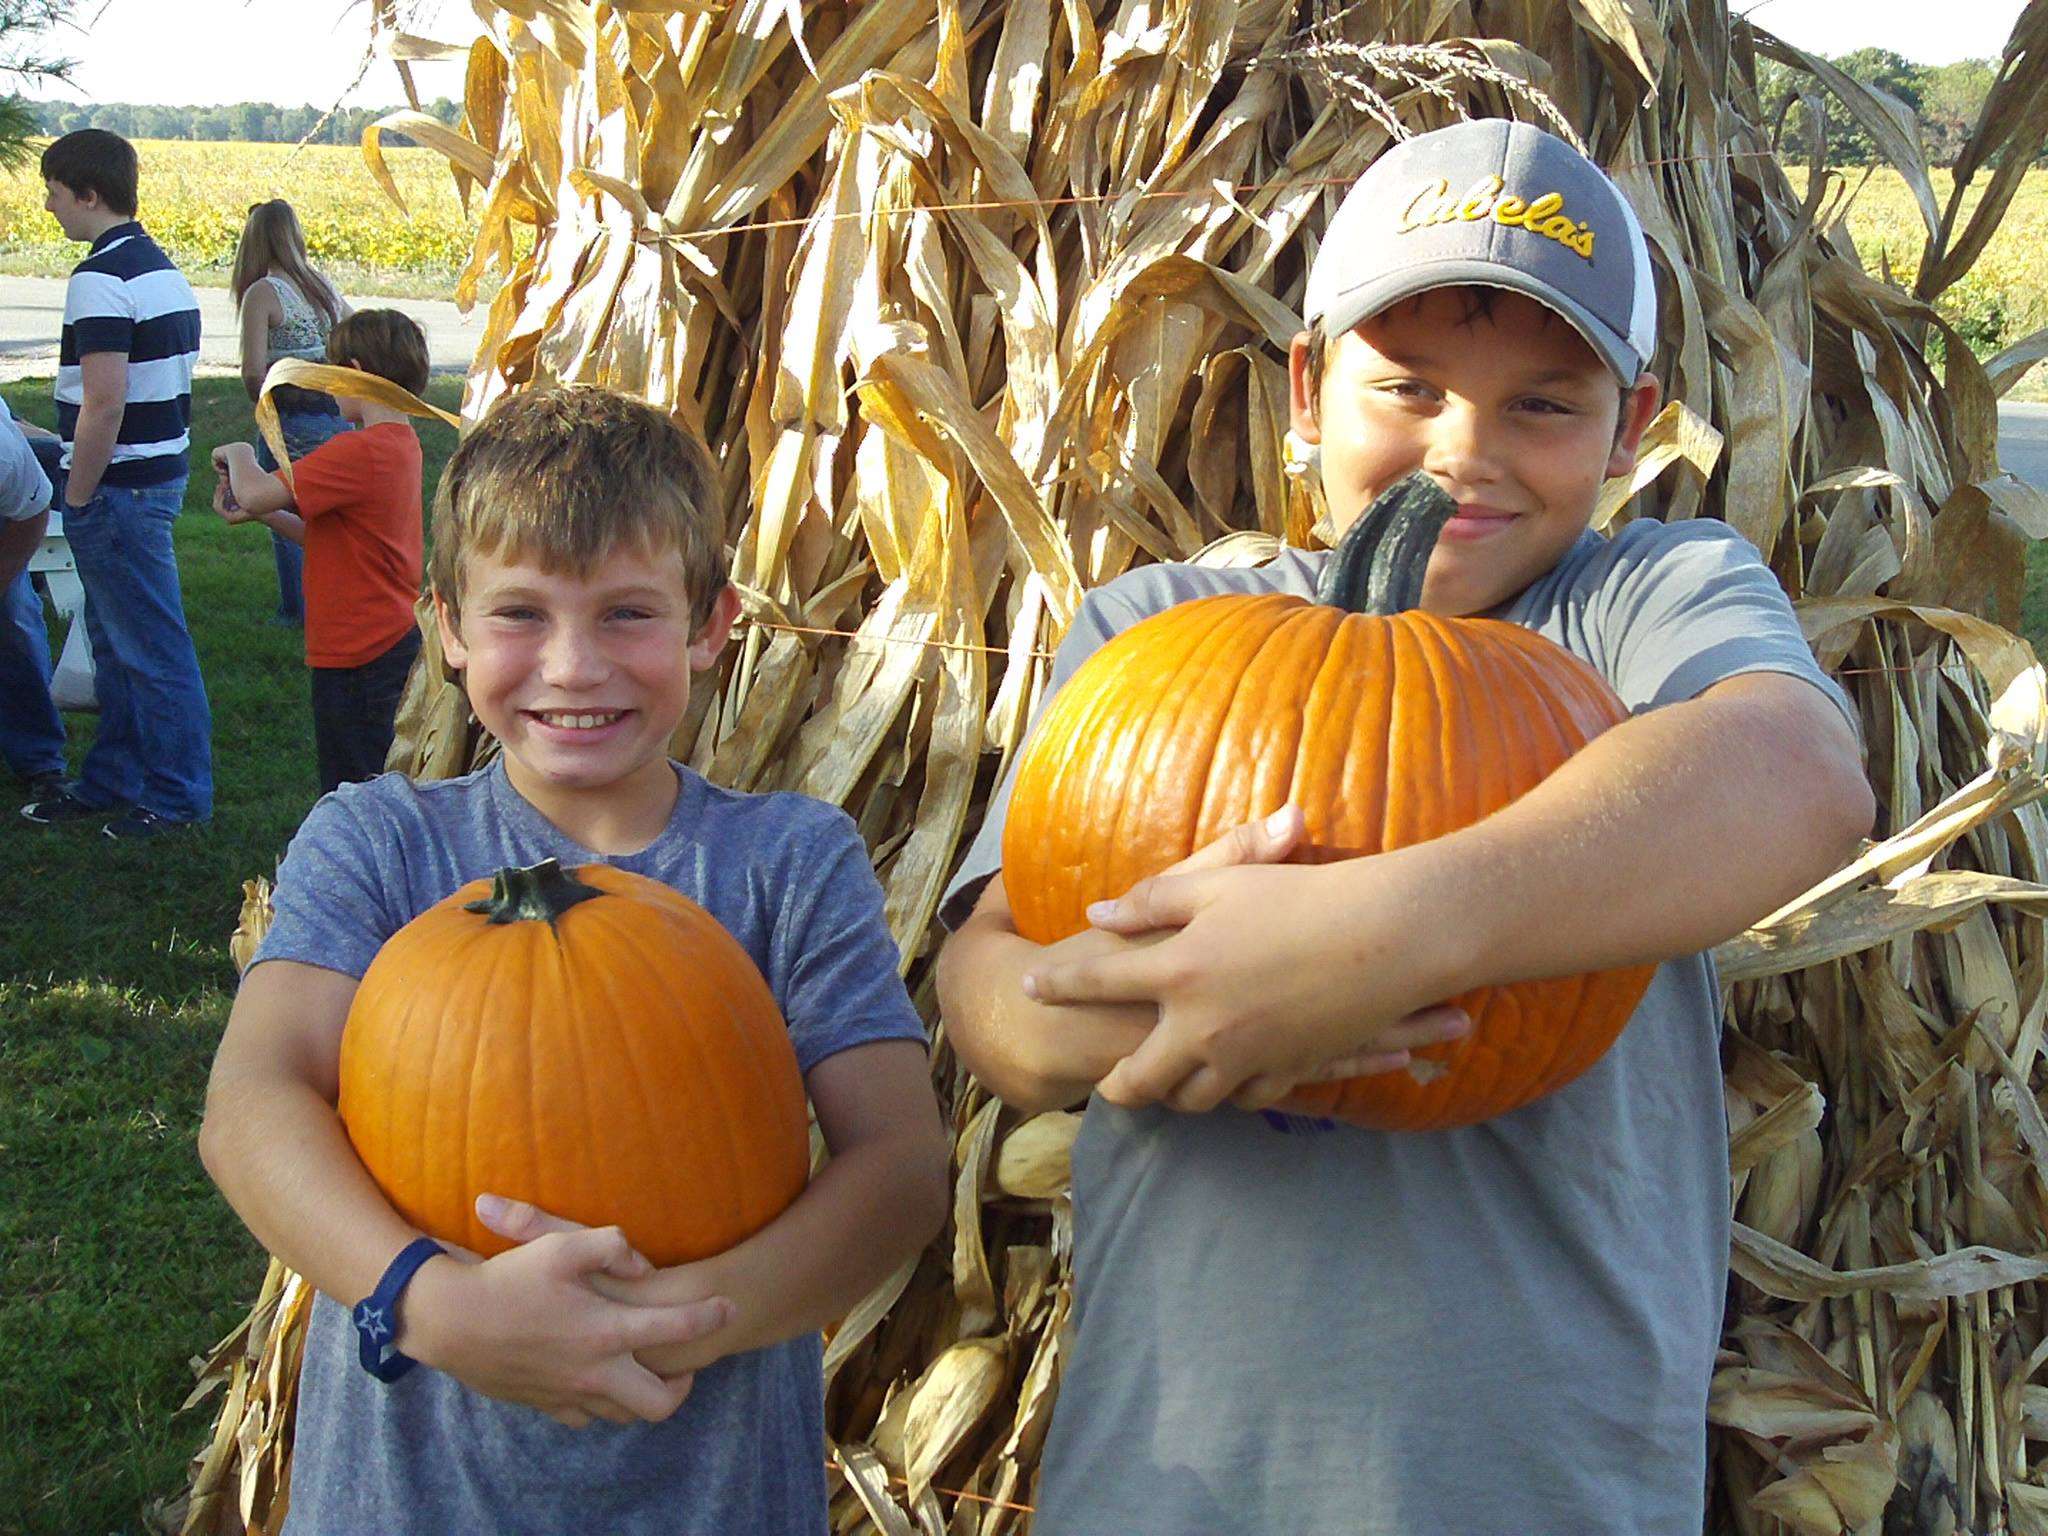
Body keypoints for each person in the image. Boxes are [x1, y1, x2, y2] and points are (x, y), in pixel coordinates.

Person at [934, 118, 1875, 1534]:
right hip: (1169, 1483)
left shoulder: (1646, 606)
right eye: (1410, 387)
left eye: (1543, 406)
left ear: (1634, 421)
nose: (1463, 454)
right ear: (1308, 388)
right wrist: (1198, 1017)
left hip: (1542, 1492)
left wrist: (1381, 938)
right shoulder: (1160, 630)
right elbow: (991, 983)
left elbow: (1802, 775)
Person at [198, 386, 950, 1534]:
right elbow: (252, 1105)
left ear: (710, 624)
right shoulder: (382, 844)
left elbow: (896, 1165)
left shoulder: (786, 864)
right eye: (518, 616)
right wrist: (440, 1310)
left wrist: (636, 1329)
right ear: (445, 626)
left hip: (704, 1502)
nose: (571, 665)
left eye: (627, 616)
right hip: (409, 1505)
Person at [22, 128, 209, 839]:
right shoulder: (158, 266)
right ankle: (112, 780)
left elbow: (104, 401)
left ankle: (177, 796)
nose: (49, 207)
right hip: (155, 477)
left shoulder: (99, 277)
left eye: (56, 192)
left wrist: (76, 496)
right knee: (117, 645)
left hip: (117, 488)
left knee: (153, 653)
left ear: (89, 194)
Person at [212, 309, 429, 793]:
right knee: (372, 779)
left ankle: (362, 868)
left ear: (353, 370)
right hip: (383, 643)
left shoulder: (361, 451)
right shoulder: (399, 443)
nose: (327, 386)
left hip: (359, 653)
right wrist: (264, 514)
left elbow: (256, 490)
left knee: (353, 789)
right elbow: (330, 539)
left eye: (331, 373)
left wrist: (240, 454)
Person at [230, 198, 354, 627]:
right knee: (333, 519)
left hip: (290, 418)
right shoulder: (323, 287)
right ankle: (339, 602)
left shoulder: (264, 292)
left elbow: (251, 371)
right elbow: (356, 337)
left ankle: (299, 612)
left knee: (286, 515)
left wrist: (262, 402)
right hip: (337, 414)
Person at [0, 398, 61, 801]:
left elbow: (32, 513)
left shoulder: (5, 458)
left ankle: (39, 758)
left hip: (12, 514)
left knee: (13, 618)